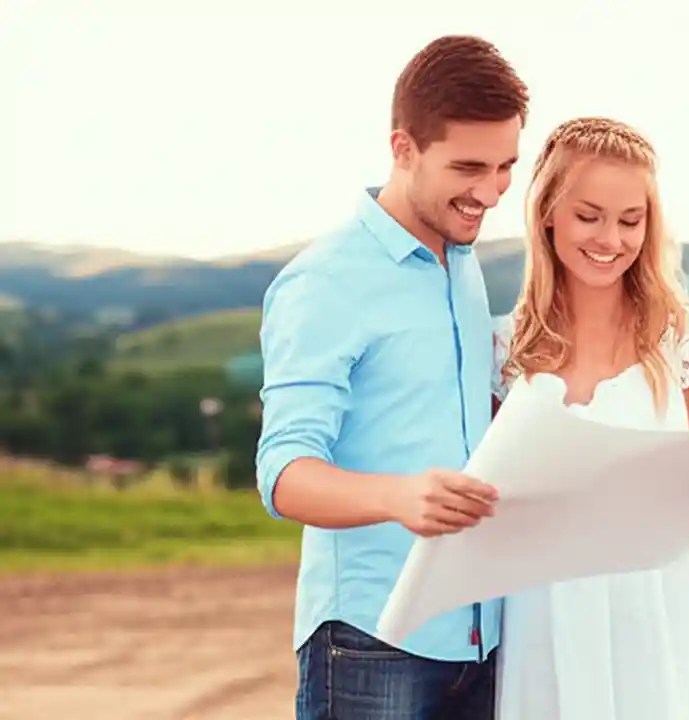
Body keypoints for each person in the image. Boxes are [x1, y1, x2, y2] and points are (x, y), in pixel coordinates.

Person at [254, 35, 528, 719]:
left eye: (505, 167)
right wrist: (399, 496)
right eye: (469, 167)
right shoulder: (323, 282)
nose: (490, 192)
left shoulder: (460, 264)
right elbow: (283, 472)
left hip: (483, 638)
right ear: (403, 149)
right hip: (371, 643)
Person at [490, 117, 689, 719]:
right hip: (545, 625)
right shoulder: (504, 350)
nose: (610, 239)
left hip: (663, 621)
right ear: (547, 212)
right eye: (589, 215)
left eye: (631, 220)